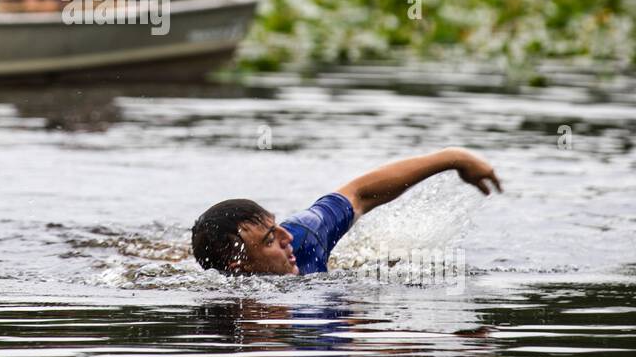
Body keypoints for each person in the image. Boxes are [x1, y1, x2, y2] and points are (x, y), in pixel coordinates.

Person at [192, 148, 502, 276]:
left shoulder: (303, 237)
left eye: (278, 227)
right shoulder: (304, 332)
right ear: (240, 264)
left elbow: (360, 193)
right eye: (271, 239)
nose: (287, 235)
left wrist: (454, 158)